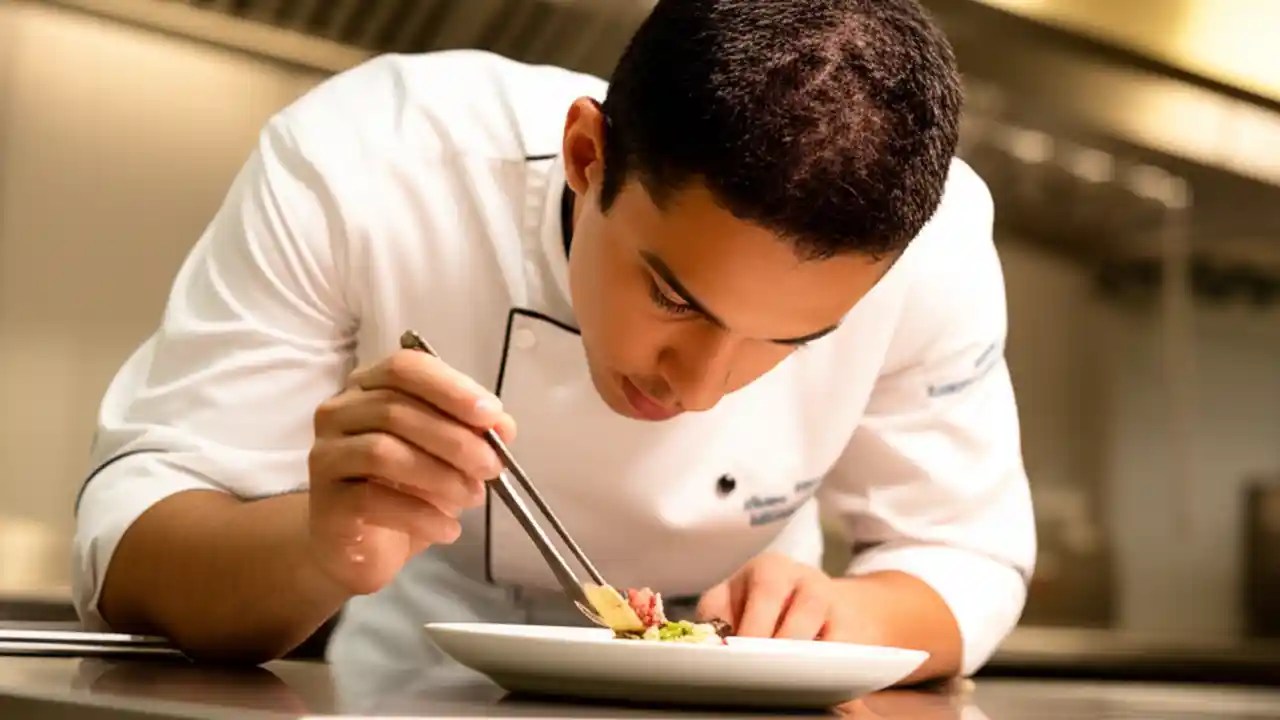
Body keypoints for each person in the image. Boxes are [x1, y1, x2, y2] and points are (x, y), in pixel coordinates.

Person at [72, 0, 1035, 684]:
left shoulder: (933, 248)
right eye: (674, 297)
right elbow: (132, 544)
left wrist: (840, 618)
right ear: (587, 156)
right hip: (410, 688)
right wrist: (324, 547)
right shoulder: (369, 165)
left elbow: (965, 553)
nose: (701, 388)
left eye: (789, 339)